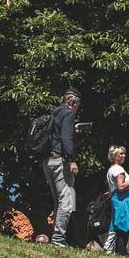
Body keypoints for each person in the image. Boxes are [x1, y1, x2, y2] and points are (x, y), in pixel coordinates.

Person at [43, 88, 84, 248]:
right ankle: (58, 239)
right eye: (78, 104)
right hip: (60, 161)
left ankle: (56, 237)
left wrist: (73, 129)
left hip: (48, 161)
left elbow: (58, 135)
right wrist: (72, 160)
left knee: (58, 201)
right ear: (74, 102)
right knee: (66, 201)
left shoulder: (56, 113)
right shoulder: (68, 114)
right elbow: (66, 139)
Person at [103, 145, 129, 252]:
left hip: (118, 200)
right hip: (123, 201)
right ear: (115, 156)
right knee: (122, 227)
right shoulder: (118, 169)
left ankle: (108, 249)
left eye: (124, 153)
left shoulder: (111, 169)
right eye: (121, 153)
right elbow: (120, 187)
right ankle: (118, 251)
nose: (124, 155)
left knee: (116, 225)